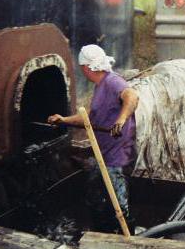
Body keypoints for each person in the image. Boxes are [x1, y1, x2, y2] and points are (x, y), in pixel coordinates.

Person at [47, 44, 139, 229]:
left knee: (119, 206)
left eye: (82, 68)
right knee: (95, 196)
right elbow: (89, 117)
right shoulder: (100, 87)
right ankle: (102, 232)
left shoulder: (112, 81)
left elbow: (132, 97)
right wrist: (63, 120)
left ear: (87, 67)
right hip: (103, 154)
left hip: (118, 157)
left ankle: (128, 239)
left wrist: (120, 121)